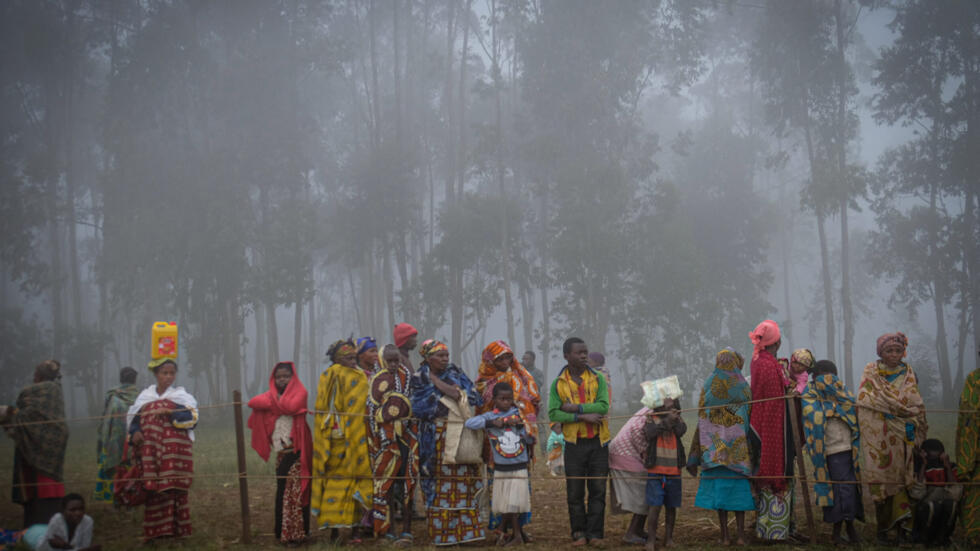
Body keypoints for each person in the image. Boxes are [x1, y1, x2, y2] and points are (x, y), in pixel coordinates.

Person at [410, 339, 486, 546]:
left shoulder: (456, 372)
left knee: (464, 483)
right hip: (433, 441)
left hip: (461, 437)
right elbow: (417, 407)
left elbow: (473, 397)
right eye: (440, 355)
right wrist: (448, 394)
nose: (445, 359)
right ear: (428, 358)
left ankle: (467, 534)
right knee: (439, 486)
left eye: (446, 355)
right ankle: (444, 535)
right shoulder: (419, 378)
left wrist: (440, 385)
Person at [856, 332, 927, 544]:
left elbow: (915, 403)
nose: (894, 355)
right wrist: (888, 414)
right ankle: (883, 531)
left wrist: (910, 424)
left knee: (904, 479)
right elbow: (864, 400)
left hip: (905, 435)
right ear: (881, 352)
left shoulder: (908, 373)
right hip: (880, 437)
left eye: (898, 350)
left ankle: (903, 531)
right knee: (883, 481)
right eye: (889, 351)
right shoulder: (872, 372)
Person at [688, 348, 756, 546]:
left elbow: (702, 414)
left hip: (714, 451)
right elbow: (749, 410)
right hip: (738, 452)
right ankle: (741, 536)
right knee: (739, 495)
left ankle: (724, 536)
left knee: (720, 496)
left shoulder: (709, 383)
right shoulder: (741, 384)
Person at [476, 340, 540, 541]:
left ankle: (519, 528)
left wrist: (522, 413)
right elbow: (481, 410)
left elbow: (532, 401)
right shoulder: (483, 382)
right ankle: (501, 529)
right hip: (495, 445)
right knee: (499, 487)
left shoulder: (521, 376)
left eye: (508, 358)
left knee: (520, 486)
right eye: (500, 359)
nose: (505, 362)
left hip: (519, 441)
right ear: (490, 361)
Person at [127, 357, 197, 541]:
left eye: (172, 373)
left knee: (173, 490)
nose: (168, 377)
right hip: (150, 453)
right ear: (156, 374)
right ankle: (155, 533)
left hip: (174, 455)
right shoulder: (145, 397)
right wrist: (135, 432)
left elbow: (192, 419)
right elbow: (133, 420)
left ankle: (177, 531)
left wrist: (170, 412)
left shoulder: (181, 396)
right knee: (153, 490)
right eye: (164, 373)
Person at [548, 337, 609, 547]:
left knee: (598, 490)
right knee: (575, 491)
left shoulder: (598, 379)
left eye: (585, 352)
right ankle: (579, 533)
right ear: (566, 356)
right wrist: (582, 417)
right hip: (574, 444)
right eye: (578, 352)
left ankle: (595, 534)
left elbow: (603, 406)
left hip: (599, 443)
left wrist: (574, 408)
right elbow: (554, 413)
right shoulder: (558, 383)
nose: (584, 356)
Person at [311, 339, 373, 541]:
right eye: (348, 358)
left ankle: (355, 529)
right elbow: (324, 405)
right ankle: (334, 531)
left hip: (357, 438)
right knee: (334, 484)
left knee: (356, 482)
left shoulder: (360, 376)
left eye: (354, 358)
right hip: (335, 438)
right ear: (337, 359)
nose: (353, 361)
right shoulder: (330, 374)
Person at [247, 361, 313, 546]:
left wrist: (272, 403)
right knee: (283, 490)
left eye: (286, 376)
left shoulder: (301, 392)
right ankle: (282, 531)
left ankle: (297, 533)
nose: (282, 380)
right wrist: (276, 401)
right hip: (281, 452)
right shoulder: (273, 395)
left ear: (293, 378)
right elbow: (253, 402)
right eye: (278, 377)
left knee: (295, 491)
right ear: (273, 379)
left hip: (298, 451)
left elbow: (292, 407)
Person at [801, 360, 863, 545]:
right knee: (836, 490)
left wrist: (834, 407)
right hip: (828, 448)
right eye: (823, 376)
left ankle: (849, 526)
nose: (827, 380)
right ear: (815, 377)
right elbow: (812, 414)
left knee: (849, 488)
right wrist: (834, 409)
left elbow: (851, 406)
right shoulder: (810, 392)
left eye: (831, 376)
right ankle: (837, 532)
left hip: (848, 447)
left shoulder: (841, 390)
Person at [747, 320, 799, 541]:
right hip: (770, 427)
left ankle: (768, 526)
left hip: (759, 423)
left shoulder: (759, 360)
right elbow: (773, 402)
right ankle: (774, 529)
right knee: (773, 473)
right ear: (776, 342)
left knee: (761, 471)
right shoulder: (768, 365)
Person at [465, 382, 534, 546]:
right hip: (501, 466)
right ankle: (509, 531)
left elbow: (531, 436)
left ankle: (514, 533)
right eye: (502, 399)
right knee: (506, 501)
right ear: (494, 399)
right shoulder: (489, 416)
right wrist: (492, 423)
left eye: (509, 399)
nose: (506, 402)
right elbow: (469, 423)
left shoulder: (520, 414)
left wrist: (522, 428)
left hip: (519, 465)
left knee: (514, 501)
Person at [0, 360, 68, 527]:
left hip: (37, 443)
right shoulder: (56, 389)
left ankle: (39, 524)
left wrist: (7, 413)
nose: (33, 375)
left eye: (36, 372)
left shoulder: (36, 390)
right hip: (54, 439)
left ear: (40, 375)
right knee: (46, 483)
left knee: (40, 485)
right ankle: (46, 522)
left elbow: (26, 416)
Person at [367, 345, 418, 545]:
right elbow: (372, 410)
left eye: (397, 360)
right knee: (385, 484)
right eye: (390, 361)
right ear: (382, 360)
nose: (394, 364)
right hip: (384, 440)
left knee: (408, 481)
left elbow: (412, 402)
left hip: (407, 437)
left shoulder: (407, 376)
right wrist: (384, 428)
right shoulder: (376, 380)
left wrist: (405, 419)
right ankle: (388, 529)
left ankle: (407, 529)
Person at [642, 398, 685, 551]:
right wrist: (667, 420)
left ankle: (669, 538)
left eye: (672, 401)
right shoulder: (651, 418)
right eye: (666, 401)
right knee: (654, 506)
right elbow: (650, 433)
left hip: (674, 471)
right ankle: (651, 540)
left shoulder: (677, 418)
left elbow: (681, 431)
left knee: (671, 506)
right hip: (655, 471)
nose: (669, 403)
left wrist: (674, 418)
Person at [94, 367, 140, 503]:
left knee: (114, 465)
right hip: (132, 437)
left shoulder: (112, 395)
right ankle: (128, 496)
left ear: (120, 379)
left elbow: (105, 415)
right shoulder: (140, 396)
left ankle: (112, 496)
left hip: (113, 438)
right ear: (135, 380)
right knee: (129, 465)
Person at [608, 406, 652, 546]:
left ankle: (638, 530)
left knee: (648, 490)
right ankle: (631, 533)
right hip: (625, 454)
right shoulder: (652, 411)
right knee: (645, 493)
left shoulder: (648, 408)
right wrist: (645, 451)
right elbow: (636, 430)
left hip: (621, 452)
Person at [911, 438, 959, 546]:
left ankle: (942, 538)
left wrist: (947, 466)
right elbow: (917, 494)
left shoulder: (950, 466)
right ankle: (924, 538)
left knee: (952, 505)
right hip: (926, 506)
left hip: (944, 503)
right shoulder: (919, 467)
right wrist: (923, 464)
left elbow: (955, 491)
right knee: (933, 506)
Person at [956, 351, 980, 546]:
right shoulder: (974, 380)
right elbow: (968, 415)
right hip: (976, 448)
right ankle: (974, 536)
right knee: (974, 493)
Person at [35, 493, 100, 551]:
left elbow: (85, 546)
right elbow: (51, 547)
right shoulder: (57, 520)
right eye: (72, 510)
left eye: (81, 509)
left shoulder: (88, 521)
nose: (78, 513)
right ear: (63, 510)